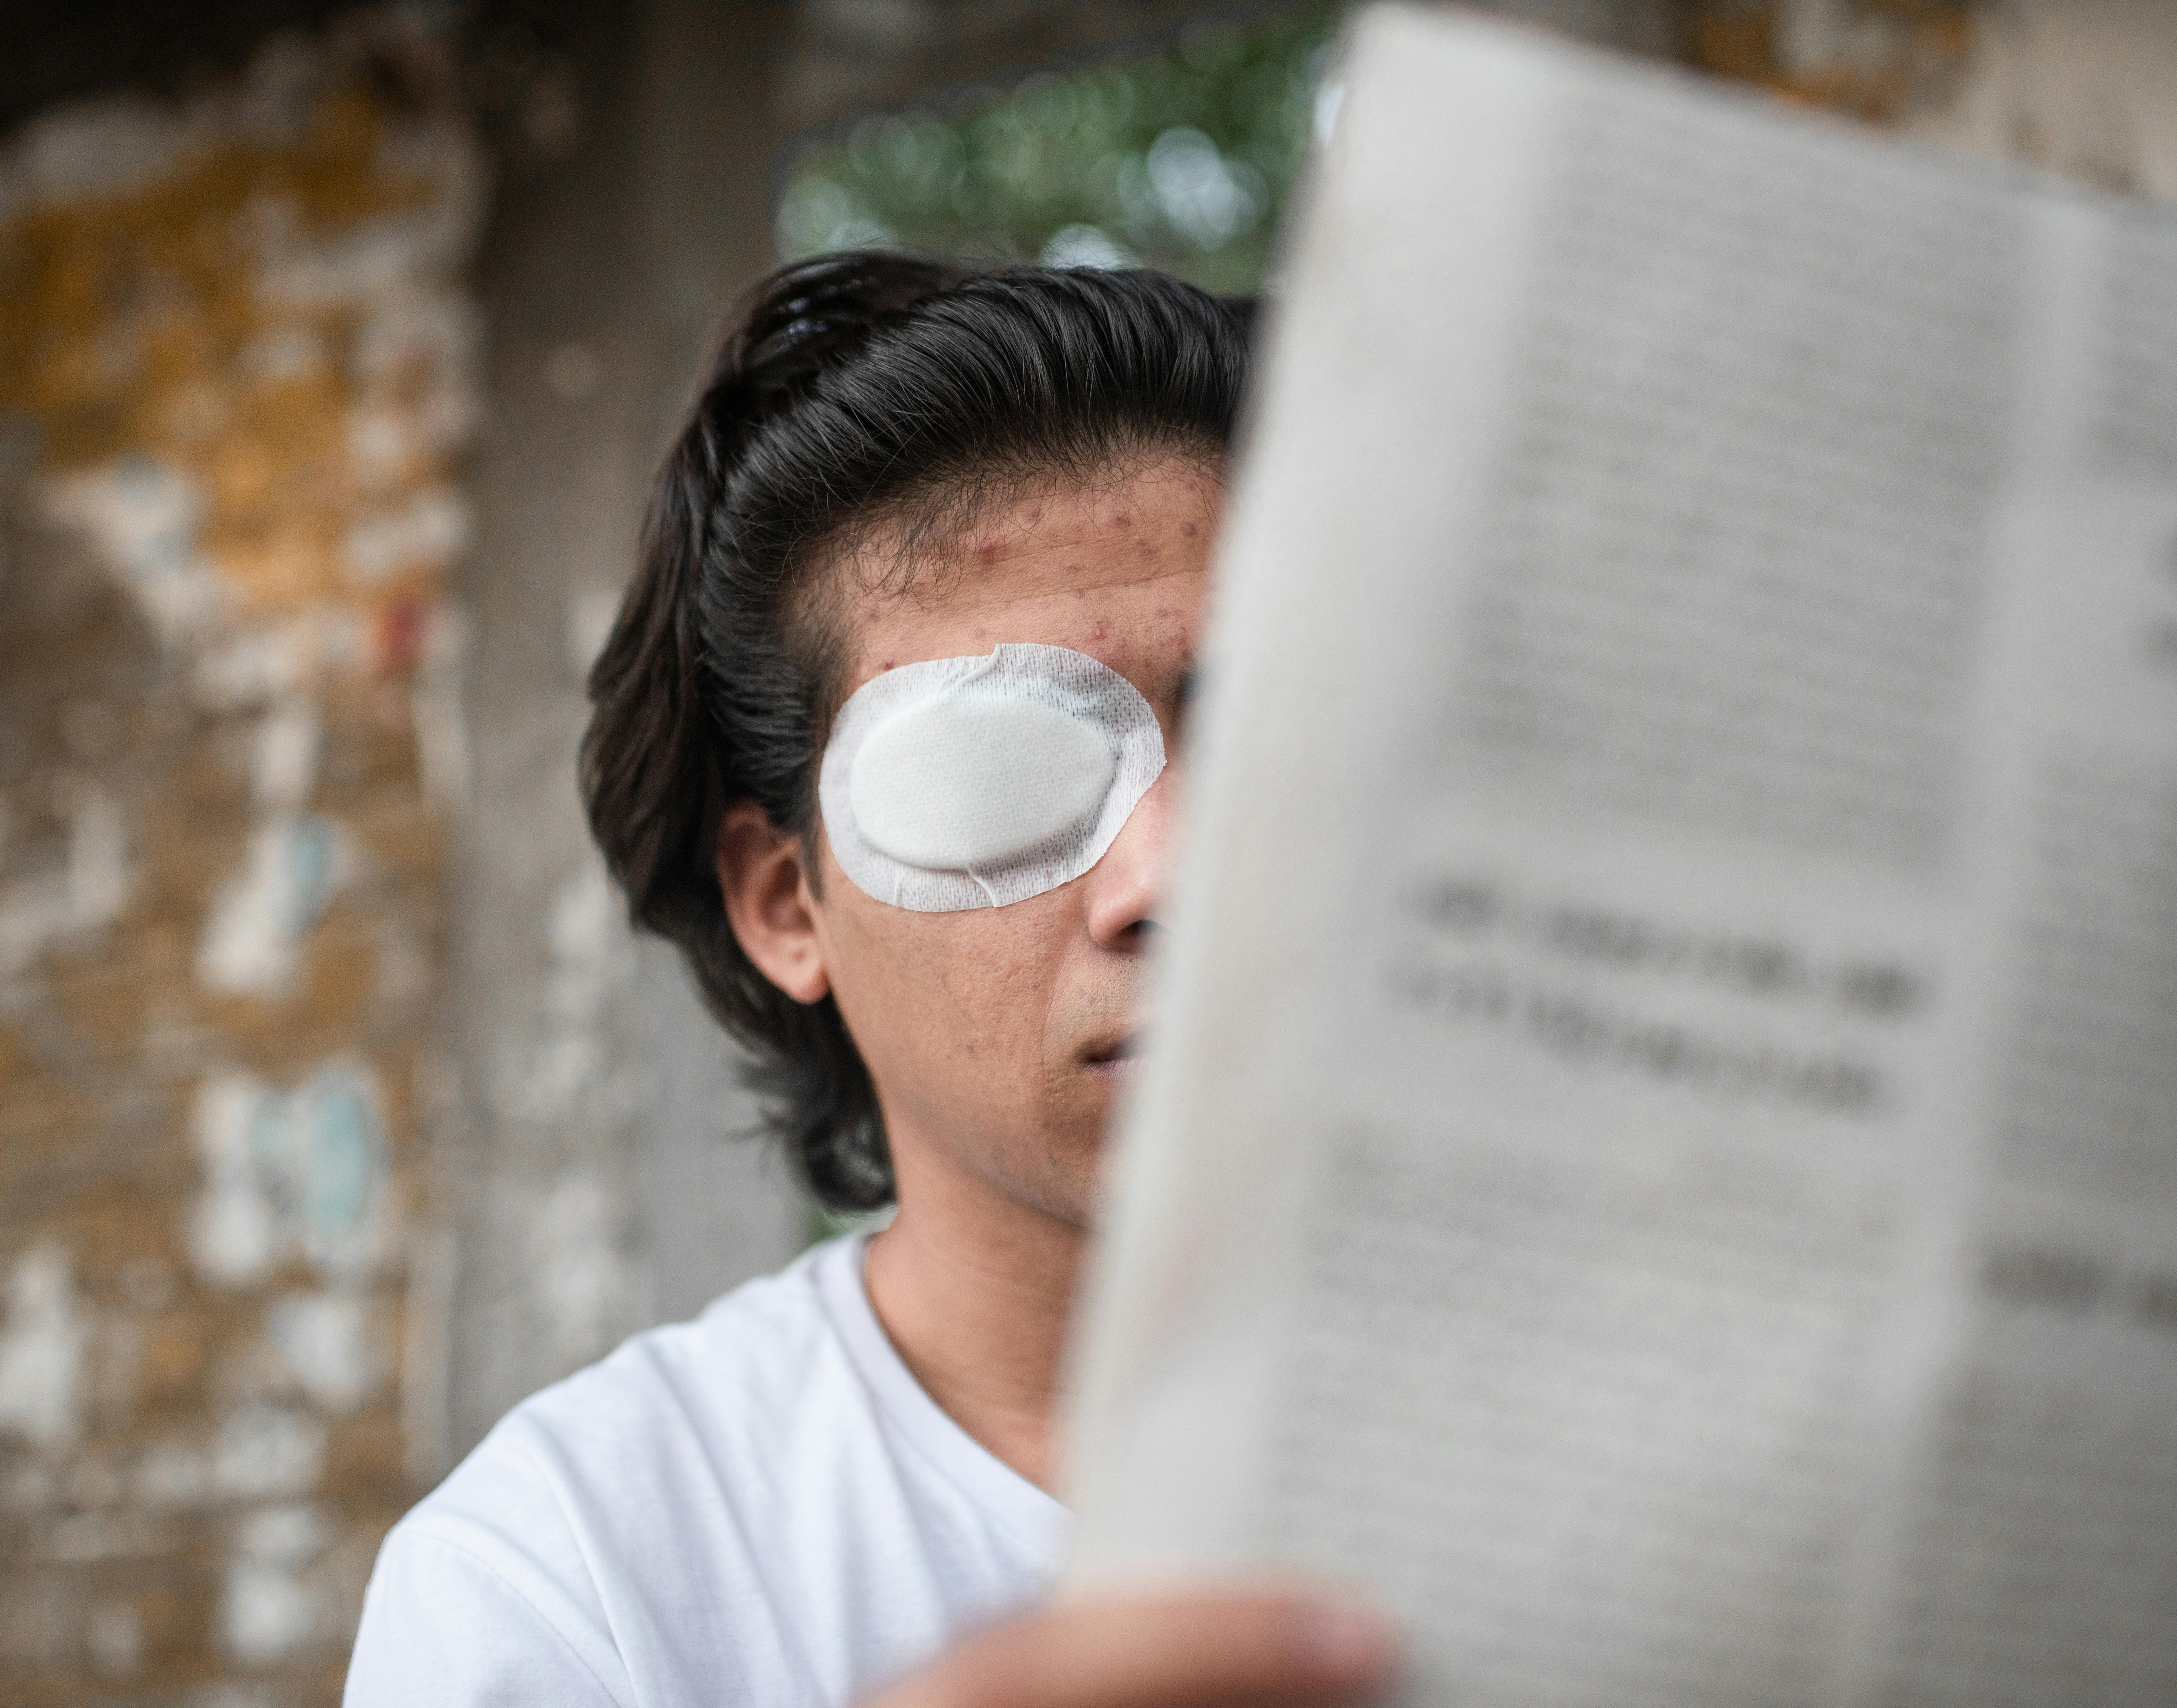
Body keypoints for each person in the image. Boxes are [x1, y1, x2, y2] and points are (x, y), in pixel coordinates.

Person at [343, 253, 1395, 1708]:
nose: (1176, 871)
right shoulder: (569, 1581)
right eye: (999, 773)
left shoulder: (1705, 1410)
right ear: (789, 905)